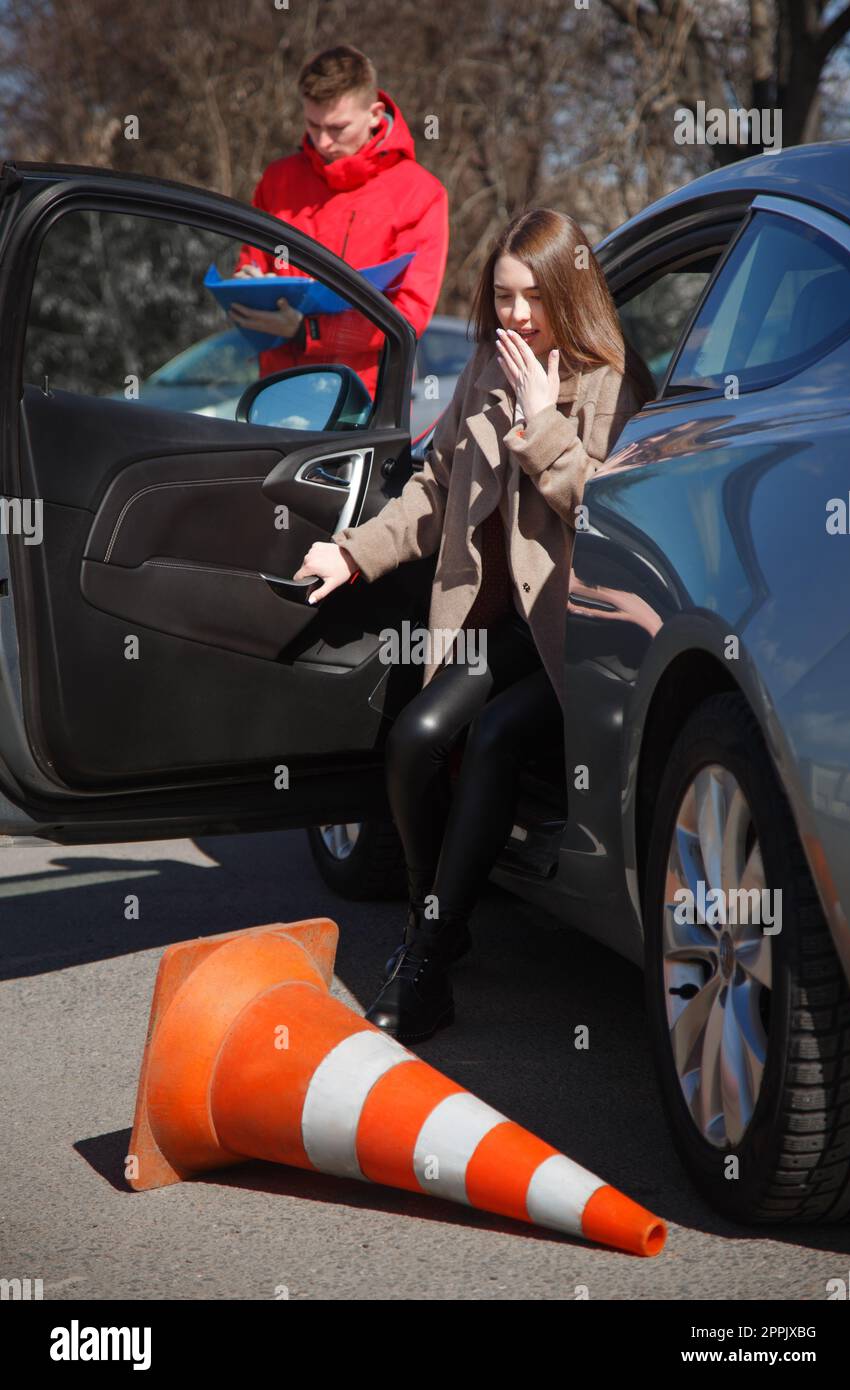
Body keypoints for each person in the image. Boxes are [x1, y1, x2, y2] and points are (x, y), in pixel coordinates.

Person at [293, 207, 655, 1044]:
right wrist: (355, 554)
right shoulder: (486, 373)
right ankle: (440, 919)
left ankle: (423, 964)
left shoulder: (612, 382)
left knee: (493, 738)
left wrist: (541, 426)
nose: (517, 316)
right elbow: (431, 487)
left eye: (533, 297)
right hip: (505, 627)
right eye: (503, 297)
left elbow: (611, 513)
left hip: (583, 638)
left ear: (569, 292)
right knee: (416, 736)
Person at [229, 44, 448, 399]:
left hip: (364, 400)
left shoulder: (421, 193)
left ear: (375, 113)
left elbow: (408, 316)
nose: (324, 141)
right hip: (278, 394)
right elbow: (251, 261)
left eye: (338, 128)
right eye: (312, 126)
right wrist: (245, 285)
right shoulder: (278, 179)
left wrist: (308, 331)